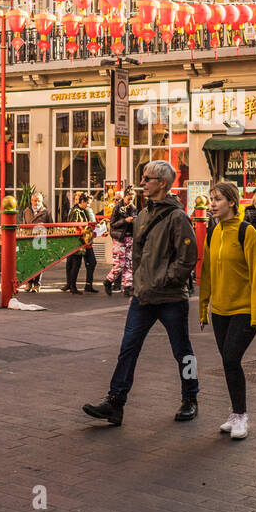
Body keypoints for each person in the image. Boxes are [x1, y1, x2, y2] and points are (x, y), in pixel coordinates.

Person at [83, 160, 200, 426]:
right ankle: (115, 402)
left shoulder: (177, 217)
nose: (143, 183)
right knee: (128, 348)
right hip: (143, 296)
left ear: (162, 183)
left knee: (183, 351)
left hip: (170, 297)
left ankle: (191, 397)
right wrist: (136, 281)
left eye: (147, 178)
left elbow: (187, 256)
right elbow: (137, 252)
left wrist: (167, 280)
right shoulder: (144, 214)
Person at [199, 181, 256, 440]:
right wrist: (204, 307)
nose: (212, 204)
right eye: (211, 199)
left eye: (217, 199)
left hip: (244, 309)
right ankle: (235, 413)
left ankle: (241, 416)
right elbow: (207, 273)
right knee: (229, 363)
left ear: (231, 202)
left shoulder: (246, 232)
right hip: (220, 311)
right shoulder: (214, 232)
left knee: (230, 359)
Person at [103, 187, 138, 296]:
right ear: (125, 197)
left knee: (129, 263)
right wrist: (125, 221)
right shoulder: (117, 208)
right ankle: (108, 281)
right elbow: (113, 224)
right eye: (129, 199)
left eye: (132, 199)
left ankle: (127, 287)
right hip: (119, 238)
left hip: (129, 237)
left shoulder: (133, 208)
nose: (130, 201)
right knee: (119, 264)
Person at [64, 192, 98, 294]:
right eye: (87, 203)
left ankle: (88, 285)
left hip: (86, 241)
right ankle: (72, 287)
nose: (89, 206)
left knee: (92, 262)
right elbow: (74, 226)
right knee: (76, 264)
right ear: (82, 202)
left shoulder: (84, 210)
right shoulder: (76, 211)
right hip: (78, 242)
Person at [21, 190, 51, 292]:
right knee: (29, 262)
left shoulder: (46, 212)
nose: (36, 203)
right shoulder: (26, 211)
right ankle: (29, 283)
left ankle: (37, 284)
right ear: (31, 201)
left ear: (41, 201)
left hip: (40, 240)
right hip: (29, 239)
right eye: (34, 201)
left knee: (39, 262)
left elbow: (51, 227)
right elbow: (24, 225)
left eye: (38, 201)